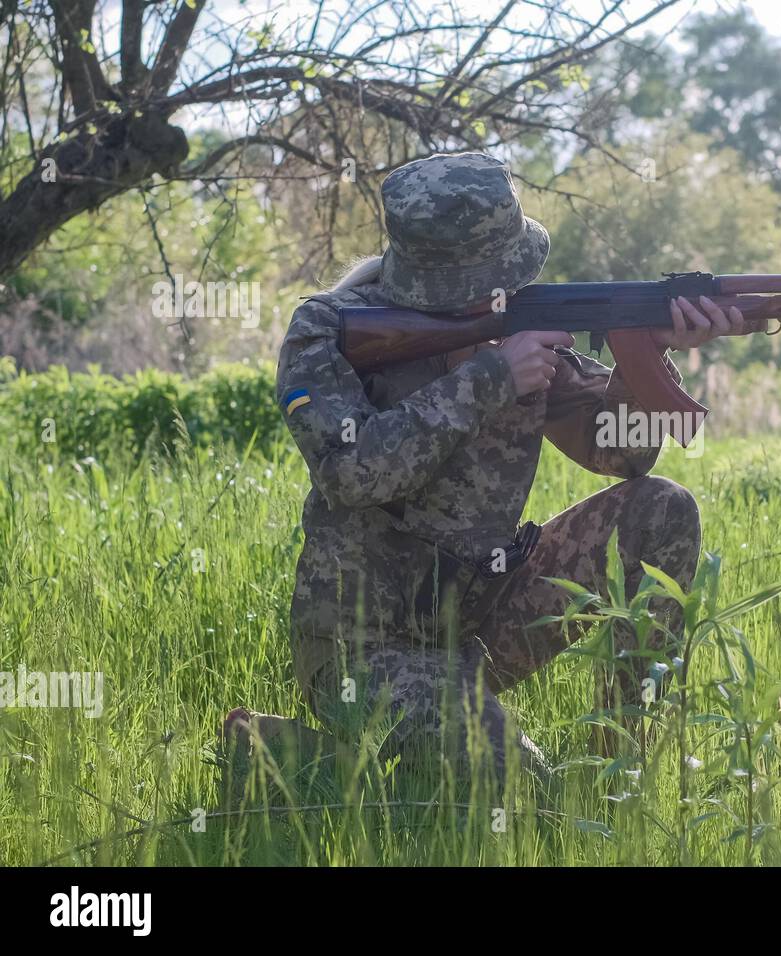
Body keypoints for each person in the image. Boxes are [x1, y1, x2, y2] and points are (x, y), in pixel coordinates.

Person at [226, 152, 744, 786]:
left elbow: (621, 453)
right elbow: (351, 471)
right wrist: (492, 378)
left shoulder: (518, 320)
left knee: (662, 508)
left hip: (482, 620)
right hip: (362, 648)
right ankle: (286, 755)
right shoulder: (327, 330)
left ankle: (615, 772)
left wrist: (651, 355)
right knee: (519, 792)